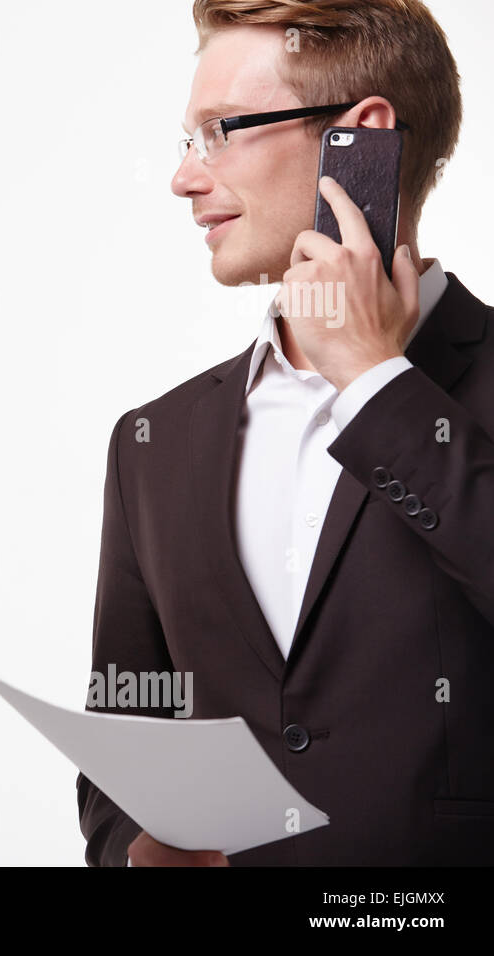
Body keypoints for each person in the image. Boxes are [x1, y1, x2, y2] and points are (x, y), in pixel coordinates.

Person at [79, 0, 494, 865]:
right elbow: (128, 725)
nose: (185, 179)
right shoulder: (153, 443)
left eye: (220, 130)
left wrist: (376, 382)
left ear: (363, 138)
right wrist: (132, 849)